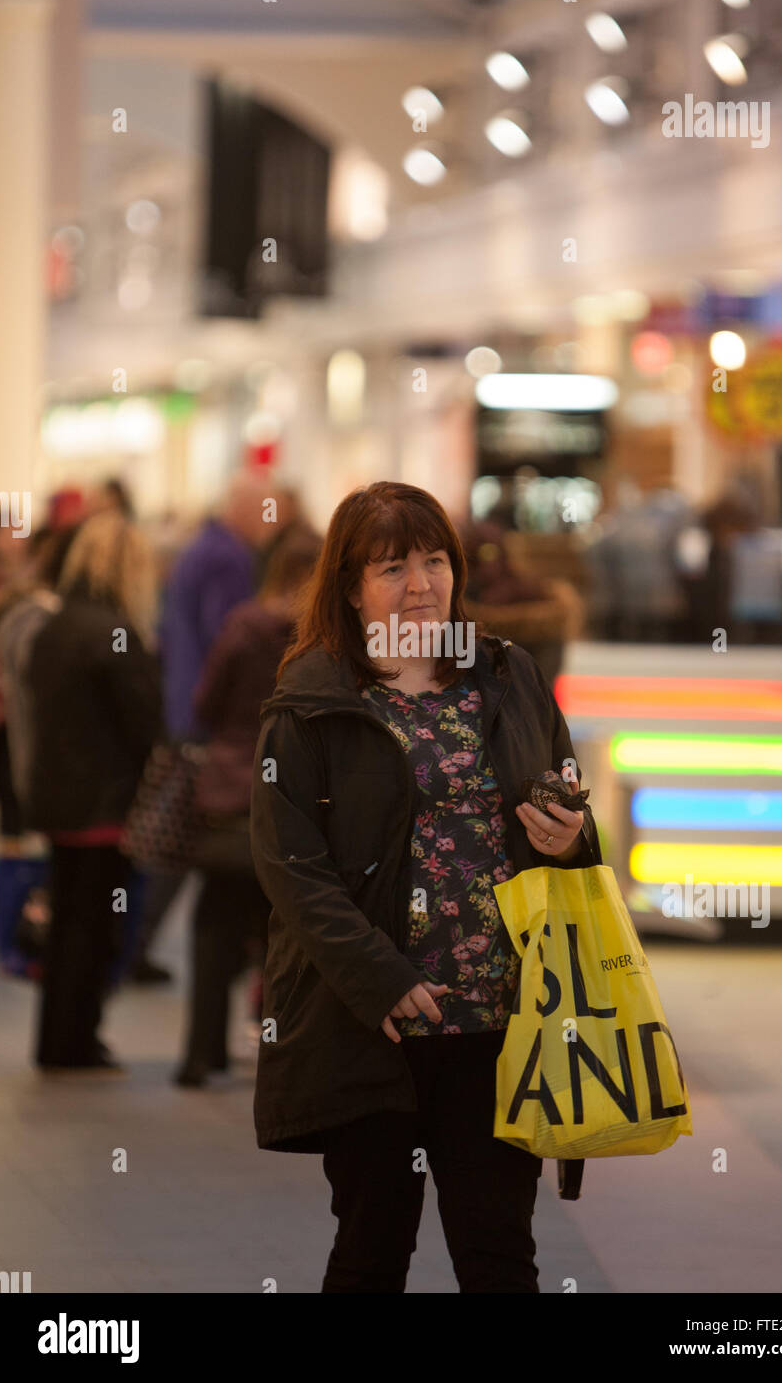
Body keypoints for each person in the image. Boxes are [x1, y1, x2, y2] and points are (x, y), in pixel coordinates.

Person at [250, 480, 600, 1293]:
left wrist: (576, 838)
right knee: (373, 1250)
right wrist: (380, 977)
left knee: (499, 1251)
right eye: (392, 567)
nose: (421, 585)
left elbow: (566, 796)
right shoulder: (312, 703)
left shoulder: (507, 675)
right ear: (349, 586)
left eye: (435, 560)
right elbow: (290, 867)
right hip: (373, 1024)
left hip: (500, 1020)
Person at [174, 527, 323, 1087]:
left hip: (231, 795)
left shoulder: (243, 623)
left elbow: (205, 703)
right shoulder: (324, 640)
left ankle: (200, 1054)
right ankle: (283, 1059)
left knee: (213, 926)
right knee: (286, 937)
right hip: (295, 801)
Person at [25, 512, 162, 1073]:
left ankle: (58, 1040)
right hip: (105, 802)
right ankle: (77, 1040)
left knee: (67, 924)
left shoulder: (56, 624)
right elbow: (144, 722)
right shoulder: (117, 631)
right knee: (96, 924)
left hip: (58, 796)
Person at [131, 467, 278, 984]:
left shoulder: (201, 549)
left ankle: (136, 940)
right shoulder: (228, 556)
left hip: (186, 709)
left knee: (175, 837)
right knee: (184, 840)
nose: (269, 522)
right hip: (203, 718)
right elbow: (228, 635)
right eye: (266, 510)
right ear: (244, 509)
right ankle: (137, 940)